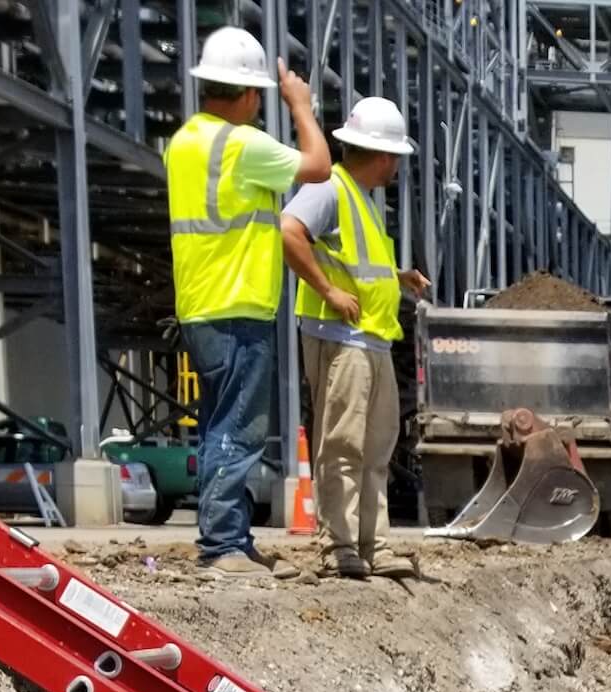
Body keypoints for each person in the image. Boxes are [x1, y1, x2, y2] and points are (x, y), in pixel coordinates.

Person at [166, 26, 330, 578]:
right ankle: (224, 545)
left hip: (201, 304)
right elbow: (319, 165)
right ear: (249, 94)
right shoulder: (242, 145)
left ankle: (229, 535)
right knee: (238, 428)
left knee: (220, 424)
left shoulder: (186, 141)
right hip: (239, 308)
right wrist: (302, 105)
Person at [280, 97, 429, 579]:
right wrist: (327, 291)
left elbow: (355, 263)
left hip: (372, 339)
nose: (397, 170)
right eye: (396, 161)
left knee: (376, 448)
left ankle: (373, 544)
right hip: (341, 338)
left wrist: (397, 277)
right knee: (342, 444)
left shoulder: (361, 199)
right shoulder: (329, 189)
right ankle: (339, 544)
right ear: (383, 156)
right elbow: (288, 232)